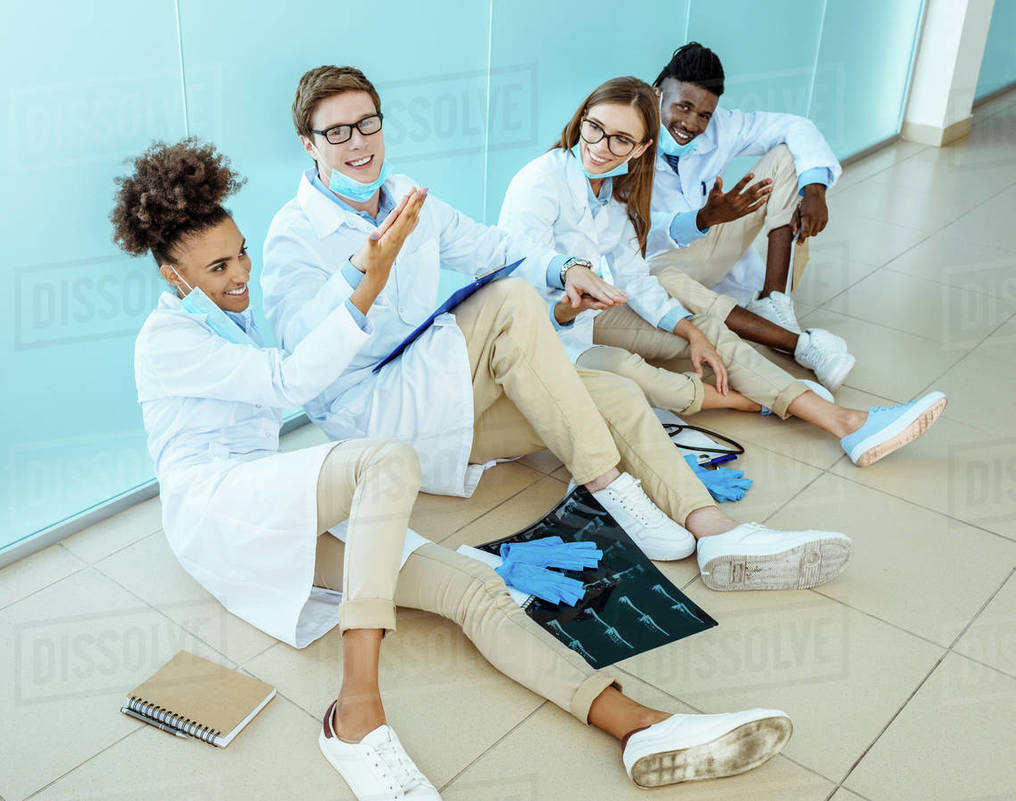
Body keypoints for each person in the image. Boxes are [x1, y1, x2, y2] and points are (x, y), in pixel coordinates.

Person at [115, 138, 802, 799]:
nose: (240, 277)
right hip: (214, 505)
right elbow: (290, 381)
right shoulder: (166, 341)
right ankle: (356, 713)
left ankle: (641, 726)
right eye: (218, 269)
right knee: (385, 463)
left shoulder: (222, 314)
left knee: (475, 589)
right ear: (173, 277)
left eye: (240, 256)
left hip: (267, 502)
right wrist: (370, 282)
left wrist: (363, 269)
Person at [263, 64, 855, 582]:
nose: (358, 142)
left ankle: (719, 532)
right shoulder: (292, 234)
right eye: (336, 132)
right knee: (512, 301)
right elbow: (296, 358)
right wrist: (360, 277)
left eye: (367, 123)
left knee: (616, 394)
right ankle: (611, 490)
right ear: (307, 145)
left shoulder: (410, 200)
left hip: (444, 403)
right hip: (372, 414)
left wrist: (567, 266)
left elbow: (498, 247)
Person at [497, 76, 948, 467]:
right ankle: (767, 397)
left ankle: (847, 423)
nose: (600, 147)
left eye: (621, 140)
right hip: (543, 329)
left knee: (707, 330)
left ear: (641, 149)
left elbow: (633, 277)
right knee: (644, 378)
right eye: (594, 129)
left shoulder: (614, 191)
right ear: (581, 121)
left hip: (591, 315)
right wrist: (566, 303)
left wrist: (690, 331)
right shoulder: (541, 181)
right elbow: (518, 278)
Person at [648, 42, 857, 389]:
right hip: (656, 264)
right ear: (657, 94)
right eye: (683, 107)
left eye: (704, 115)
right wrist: (702, 219)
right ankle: (803, 346)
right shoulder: (625, 135)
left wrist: (815, 189)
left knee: (787, 157)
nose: (692, 123)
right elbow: (625, 232)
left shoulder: (721, 127)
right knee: (667, 281)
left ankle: (772, 301)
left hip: (708, 244)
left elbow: (796, 127)